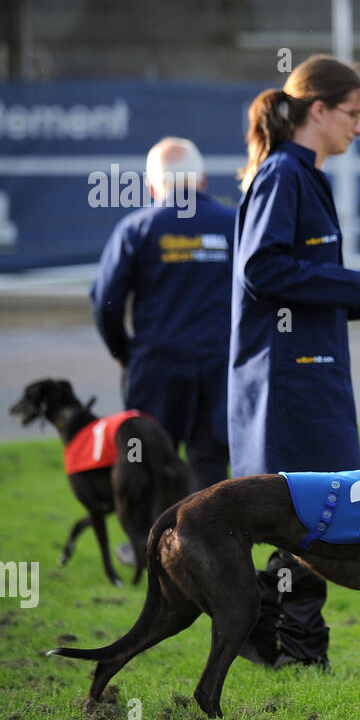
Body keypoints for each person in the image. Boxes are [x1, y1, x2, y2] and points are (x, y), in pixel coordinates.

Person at [230, 54, 360, 669]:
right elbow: (263, 271)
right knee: (310, 517)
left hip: (313, 373)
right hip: (288, 384)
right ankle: (293, 649)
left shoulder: (310, 176)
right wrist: (350, 281)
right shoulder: (283, 174)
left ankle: (274, 642)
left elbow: (304, 284)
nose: (359, 128)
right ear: (319, 110)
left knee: (315, 514)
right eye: (353, 115)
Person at [90, 137, 235, 495]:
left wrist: (123, 351)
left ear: (153, 185)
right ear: (202, 180)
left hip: (157, 368)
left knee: (151, 469)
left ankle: (152, 548)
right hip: (223, 368)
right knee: (211, 470)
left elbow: (105, 301)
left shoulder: (136, 228)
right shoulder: (238, 224)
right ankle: (208, 547)